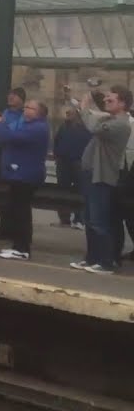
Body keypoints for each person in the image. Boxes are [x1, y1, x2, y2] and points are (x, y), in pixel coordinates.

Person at [71, 85, 133, 275]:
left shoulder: (121, 124)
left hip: (103, 176)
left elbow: (92, 126)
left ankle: (107, 262)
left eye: (110, 100)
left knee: (100, 221)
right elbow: (93, 116)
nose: (106, 102)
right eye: (105, 100)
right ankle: (92, 258)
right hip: (92, 174)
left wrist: (84, 105)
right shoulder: (109, 118)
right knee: (90, 220)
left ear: (123, 103)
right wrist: (80, 103)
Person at [0, 99, 50, 260]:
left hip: (26, 175)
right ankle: (18, 246)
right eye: (26, 107)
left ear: (39, 112)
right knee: (17, 210)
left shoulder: (38, 128)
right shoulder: (27, 124)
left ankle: (23, 248)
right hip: (18, 174)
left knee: (21, 211)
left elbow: (8, 137)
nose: (25, 110)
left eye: (30, 108)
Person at [0, 87, 28, 241]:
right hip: (3, 156)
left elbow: (9, 133)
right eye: (10, 95)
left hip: (15, 160)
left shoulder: (22, 116)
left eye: (15, 96)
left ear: (22, 99)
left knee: (15, 199)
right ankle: (4, 228)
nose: (10, 98)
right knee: (2, 197)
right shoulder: (6, 113)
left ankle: (15, 231)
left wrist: (1, 125)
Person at [53, 106, 92, 229]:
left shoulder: (86, 128)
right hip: (63, 161)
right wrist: (57, 155)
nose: (67, 114)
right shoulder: (63, 127)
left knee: (79, 191)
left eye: (70, 112)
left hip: (79, 162)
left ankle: (79, 219)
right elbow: (57, 141)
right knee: (62, 190)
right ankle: (64, 219)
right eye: (67, 112)